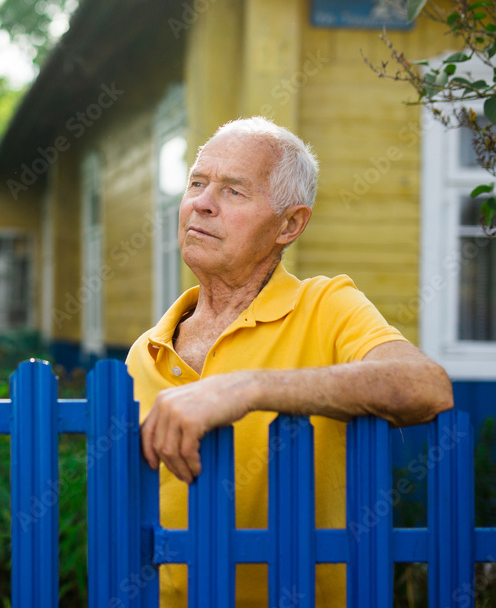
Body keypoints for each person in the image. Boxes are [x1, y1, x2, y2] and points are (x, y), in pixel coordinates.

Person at [126, 117, 453, 606]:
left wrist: (247, 387)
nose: (202, 202)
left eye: (234, 191)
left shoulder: (327, 306)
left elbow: (425, 387)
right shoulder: (146, 350)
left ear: (290, 225)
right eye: (196, 182)